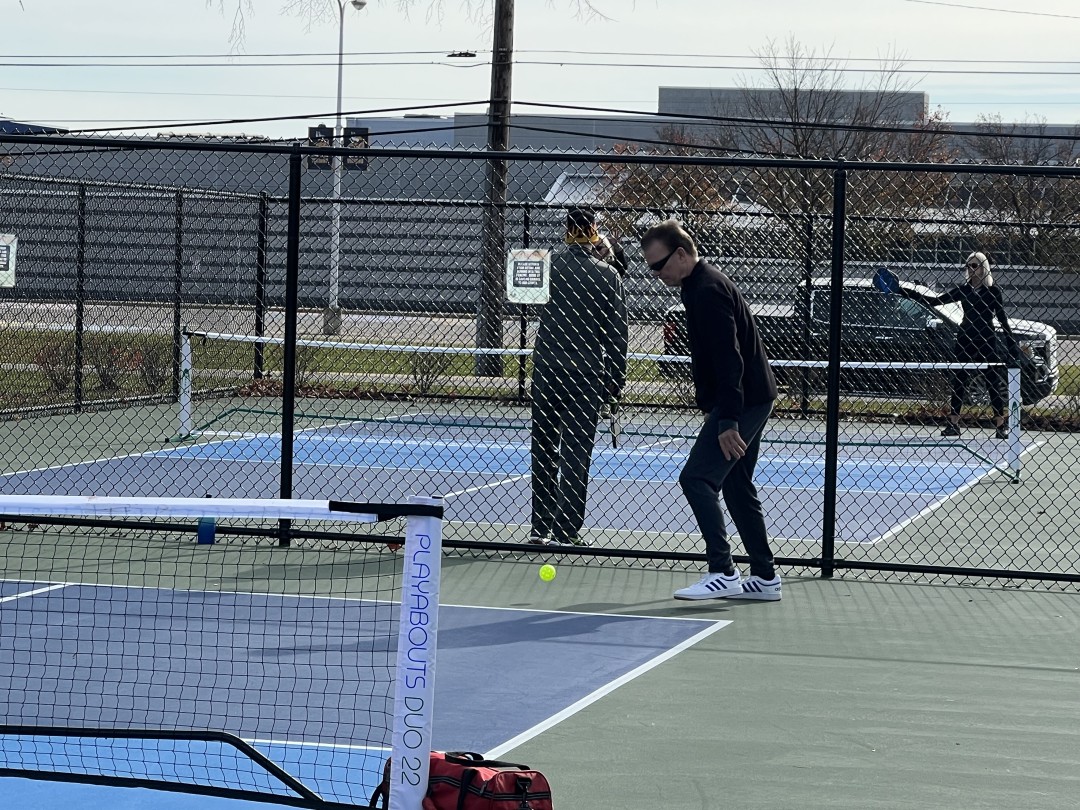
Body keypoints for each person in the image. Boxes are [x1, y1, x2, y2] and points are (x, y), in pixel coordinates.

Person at [641, 220, 781, 601]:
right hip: (750, 396)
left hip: (743, 401)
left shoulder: (707, 290)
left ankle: (723, 571)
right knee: (736, 484)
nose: (656, 274)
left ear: (682, 255)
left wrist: (727, 419)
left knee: (697, 479)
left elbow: (729, 359)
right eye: (650, 267)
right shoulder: (697, 286)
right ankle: (765, 578)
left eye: (659, 265)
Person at [529, 207, 628, 547]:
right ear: (593, 230)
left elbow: (522, 299)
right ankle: (566, 529)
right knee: (576, 452)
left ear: (566, 230)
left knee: (543, 448)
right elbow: (617, 333)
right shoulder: (608, 276)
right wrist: (615, 380)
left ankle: (539, 528)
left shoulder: (546, 265)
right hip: (586, 373)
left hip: (546, 369)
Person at [891, 252, 1014, 440]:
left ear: (984, 267)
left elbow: (1002, 317)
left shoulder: (993, 292)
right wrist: (906, 291)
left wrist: (1011, 342)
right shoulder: (964, 290)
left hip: (987, 340)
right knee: (959, 382)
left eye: (975, 265)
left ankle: (1000, 425)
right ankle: (953, 424)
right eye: (969, 266)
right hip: (965, 339)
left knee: (992, 383)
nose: (971, 269)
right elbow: (935, 301)